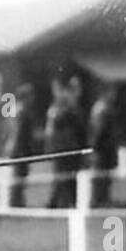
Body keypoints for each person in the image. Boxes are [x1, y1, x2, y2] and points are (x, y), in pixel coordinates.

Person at [44, 78, 85, 208]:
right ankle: (57, 203)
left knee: (66, 178)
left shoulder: (66, 110)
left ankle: (59, 203)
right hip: (64, 149)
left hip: (69, 149)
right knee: (63, 178)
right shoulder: (60, 111)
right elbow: (52, 132)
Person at [3, 82, 37, 207]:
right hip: (20, 149)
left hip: (15, 148)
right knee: (19, 177)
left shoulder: (13, 109)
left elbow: (8, 129)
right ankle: (16, 202)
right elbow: (18, 132)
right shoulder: (22, 112)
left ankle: (16, 201)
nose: (33, 99)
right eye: (31, 96)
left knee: (18, 176)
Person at [88, 85, 118, 207]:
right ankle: (98, 202)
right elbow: (99, 131)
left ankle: (102, 200)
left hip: (104, 149)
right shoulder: (102, 109)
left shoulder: (103, 108)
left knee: (104, 178)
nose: (114, 95)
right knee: (100, 177)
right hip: (102, 150)